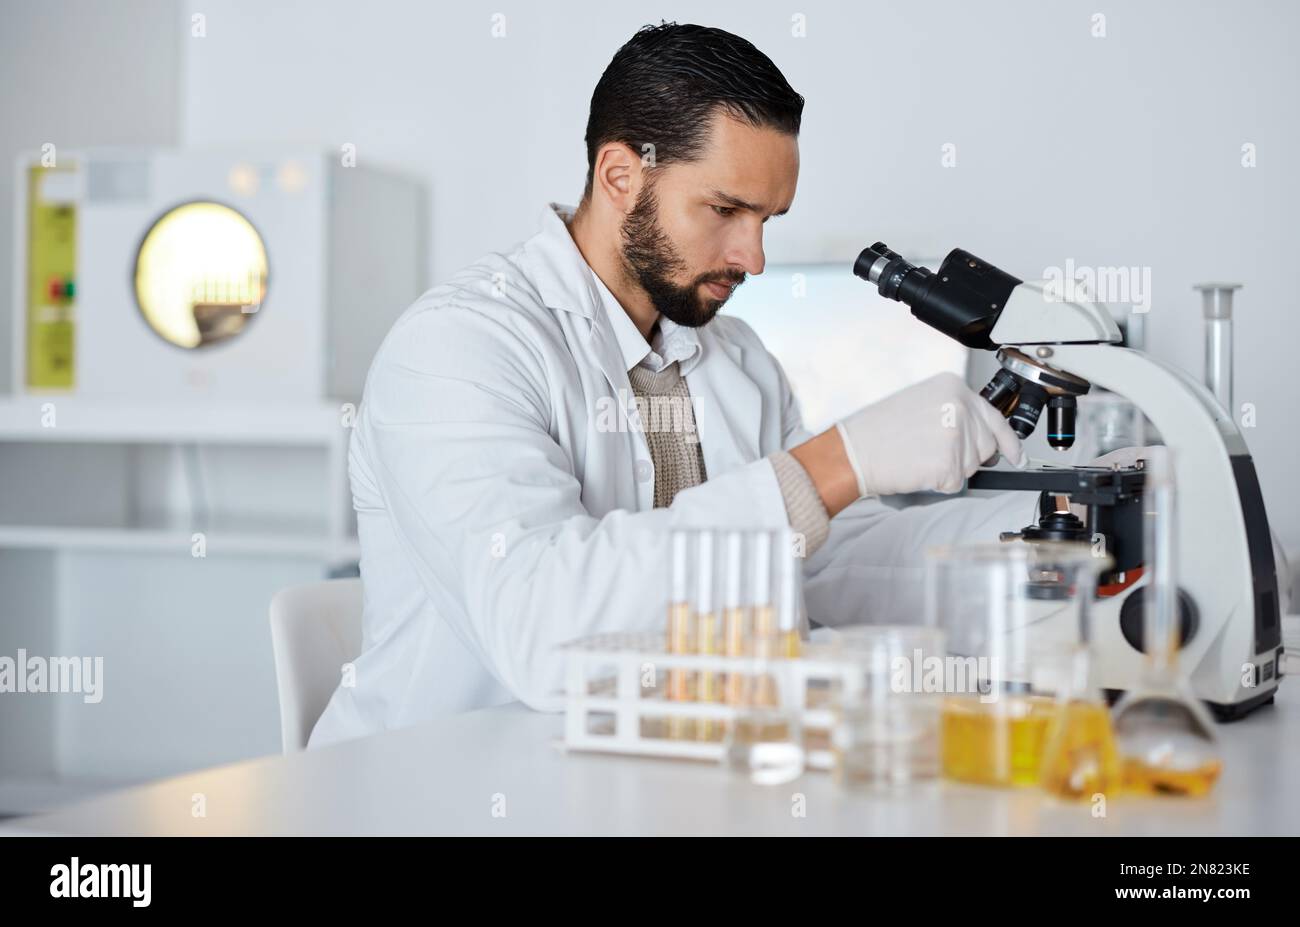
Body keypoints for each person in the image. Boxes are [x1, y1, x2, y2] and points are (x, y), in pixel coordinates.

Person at [308, 22, 1036, 748]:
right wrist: (838, 461)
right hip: (433, 791)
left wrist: (1049, 538)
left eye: (768, 219)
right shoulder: (459, 345)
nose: (753, 256)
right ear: (620, 175)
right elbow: (543, 629)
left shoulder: (735, 356)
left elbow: (830, 563)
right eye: (725, 210)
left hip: (639, 782)